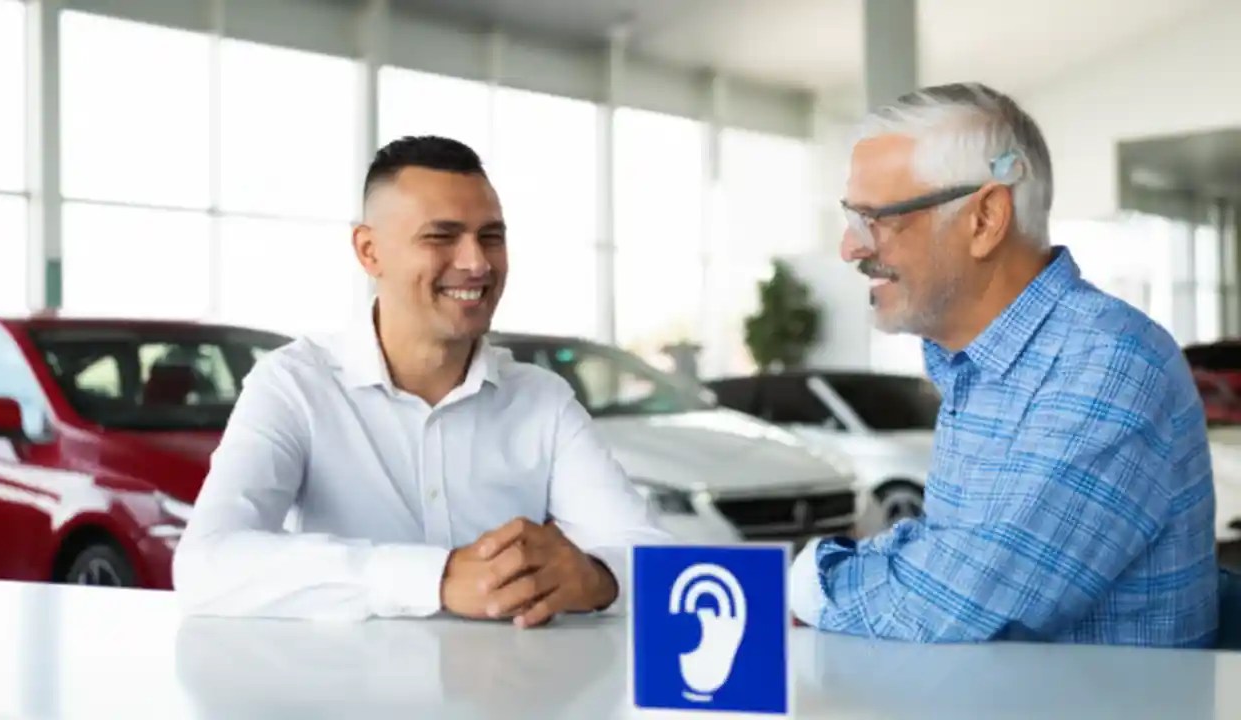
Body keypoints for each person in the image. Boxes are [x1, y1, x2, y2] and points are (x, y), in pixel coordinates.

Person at [789, 83, 1219, 647]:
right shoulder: (977, 367)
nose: (850, 248)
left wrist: (809, 580)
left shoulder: (1107, 362)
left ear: (986, 217)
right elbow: (948, 554)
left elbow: (956, 606)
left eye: (873, 219)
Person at [173, 136, 668, 626]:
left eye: (491, 236)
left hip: (509, 701)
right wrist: (436, 578)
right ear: (369, 252)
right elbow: (207, 565)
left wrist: (598, 577)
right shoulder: (294, 386)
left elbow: (654, 557)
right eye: (441, 236)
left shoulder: (542, 400)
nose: (476, 263)